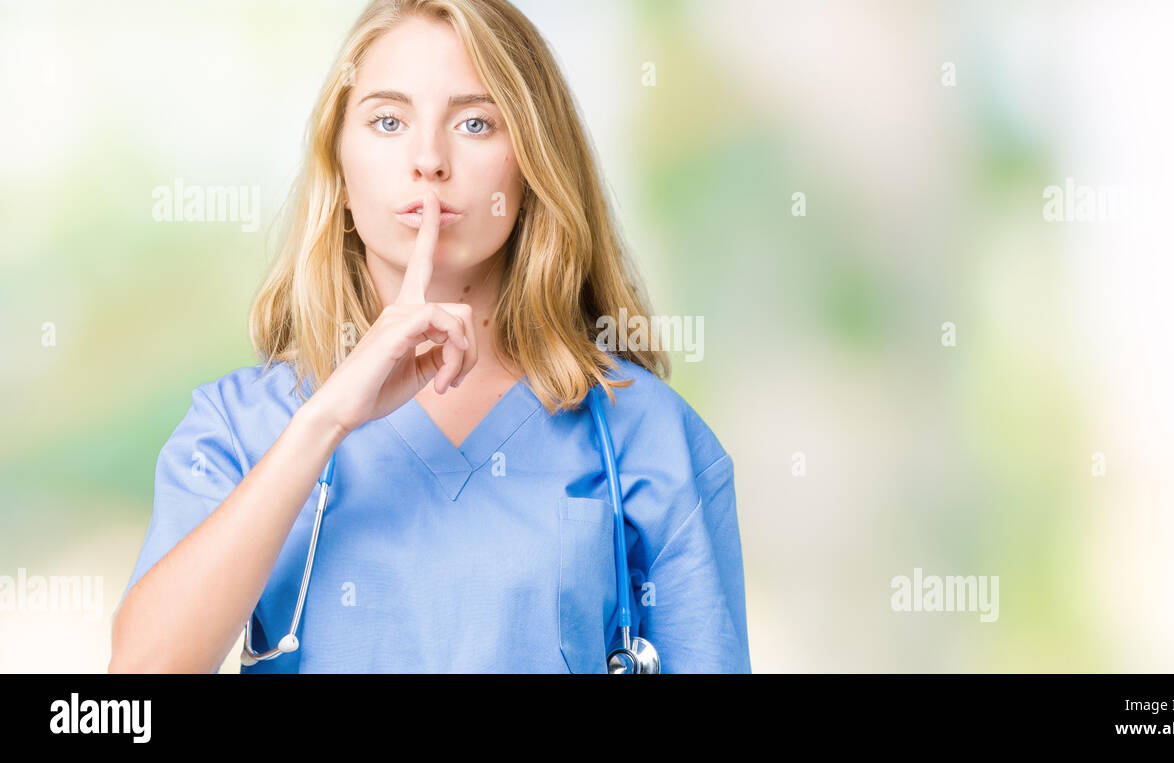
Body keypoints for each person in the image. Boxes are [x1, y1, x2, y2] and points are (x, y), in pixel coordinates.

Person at [108, 0, 750, 674]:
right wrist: (326, 418)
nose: (429, 160)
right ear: (341, 174)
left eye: (475, 123)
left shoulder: (650, 436)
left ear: (533, 167)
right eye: (388, 121)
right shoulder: (237, 428)